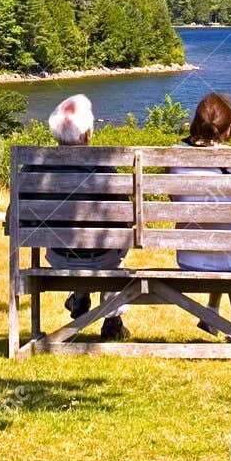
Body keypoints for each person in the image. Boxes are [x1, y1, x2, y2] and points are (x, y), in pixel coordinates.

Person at [170, 92, 231, 335]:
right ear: (229, 129)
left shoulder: (173, 155)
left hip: (190, 257)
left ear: (194, 125)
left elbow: (173, 200)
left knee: (223, 241)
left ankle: (211, 313)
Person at [41, 95, 130, 342]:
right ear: (87, 133)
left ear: (55, 133)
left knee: (99, 248)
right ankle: (112, 321)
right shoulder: (103, 168)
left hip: (59, 257)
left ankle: (80, 296)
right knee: (113, 250)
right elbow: (125, 216)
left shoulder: (35, 167)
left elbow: (15, 218)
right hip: (103, 258)